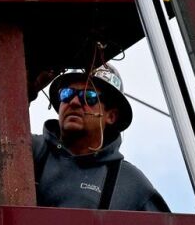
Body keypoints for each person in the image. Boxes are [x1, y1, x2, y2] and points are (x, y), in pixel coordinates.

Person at [30, 63, 168, 212]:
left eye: (89, 96)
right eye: (66, 94)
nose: (74, 102)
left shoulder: (131, 184)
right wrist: (28, 89)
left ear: (111, 116)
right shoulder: (30, 151)